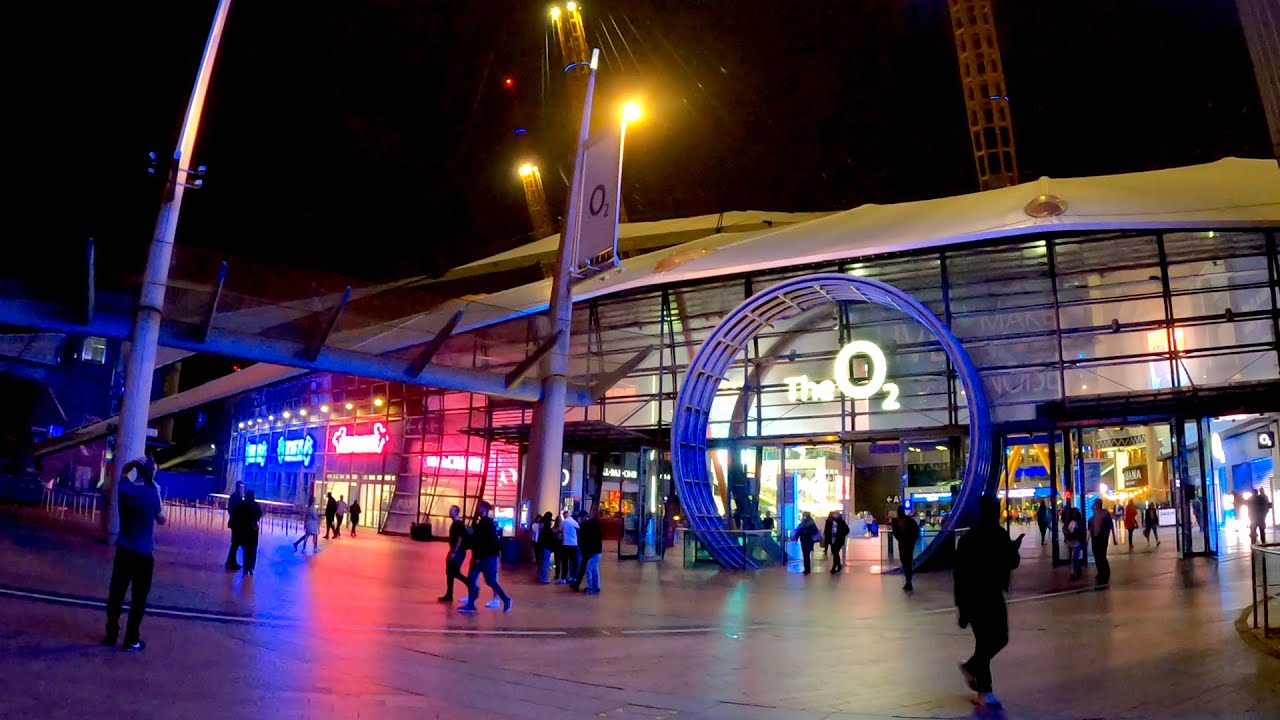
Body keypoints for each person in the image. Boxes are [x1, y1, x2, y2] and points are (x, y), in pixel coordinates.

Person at [954, 496, 1022, 710]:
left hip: (974, 597)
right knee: (997, 638)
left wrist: (961, 605)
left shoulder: (968, 538)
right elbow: (1012, 562)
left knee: (985, 640)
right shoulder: (998, 534)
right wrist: (1014, 548)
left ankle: (975, 671)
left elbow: (959, 574)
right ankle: (984, 689)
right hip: (990, 595)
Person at [104, 457, 166, 652]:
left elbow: (122, 473)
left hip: (124, 549)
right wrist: (158, 494)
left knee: (116, 593)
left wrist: (130, 464)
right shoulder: (151, 494)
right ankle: (131, 639)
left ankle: (111, 634)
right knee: (138, 599)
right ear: (152, 473)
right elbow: (162, 519)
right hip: (144, 554)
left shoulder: (125, 489)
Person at [459, 501, 512, 614]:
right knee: (485, 580)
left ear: (483, 509)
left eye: (479, 508)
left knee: (479, 580)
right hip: (486, 557)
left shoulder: (483, 525)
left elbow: (480, 542)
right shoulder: (487, 524)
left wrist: (471, 535)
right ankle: (472, 603)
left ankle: (472, 604)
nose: (477, 510)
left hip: (483, 557)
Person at [438, 505, 470, 602]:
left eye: (451, 511)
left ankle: (469, 583)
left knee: (454, 572)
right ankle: (449, 594)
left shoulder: (458, 524)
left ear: (456, 512)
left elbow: (460, 538)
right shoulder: (456, 524)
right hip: (455, 551)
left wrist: (455, 551)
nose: (449, 512)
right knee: (450, 572)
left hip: (458, 552)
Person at [229, 489, 263, 575]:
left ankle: (245, 568)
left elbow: (235, 514)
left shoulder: (242, 505)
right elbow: (259, 515)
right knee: (253, 550)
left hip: (243, 531)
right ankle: (251, 568)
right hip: (253, 531)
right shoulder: (256, 505)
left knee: (246, 550)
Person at [1089, 498, 1118, 588]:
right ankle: (1101, 572)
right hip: (1095, 537)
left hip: (1102, 537)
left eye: (1096, 503)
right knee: (1097, 555)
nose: (1094, 505)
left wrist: (1113, 537)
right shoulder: (1094, 514)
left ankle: (1105, 572)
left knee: (1101, 555)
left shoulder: (1105, 513)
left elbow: (1110, 525)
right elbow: (1091, 527)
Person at [891, 506, 921, 592]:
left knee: (906, 562)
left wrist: (908, 540)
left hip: (906, 544)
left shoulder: (907, 521)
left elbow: (896, 533)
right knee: (905, 561)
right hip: (906, 544)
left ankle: (908, 581)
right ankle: (908, 581)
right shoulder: (902, 521)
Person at [576, 511, 603, 594]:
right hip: (596, 552)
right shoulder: (595, 525)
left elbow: (583, 539)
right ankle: (597, 587)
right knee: (594, 569)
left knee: (588, 569)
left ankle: (591, 587)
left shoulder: (586, 526)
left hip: (592, 552)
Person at [224, 480, 245, 570]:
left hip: (238, 523)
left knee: (236, 544)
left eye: (242, 487)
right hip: (236, 523)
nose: (242, 489)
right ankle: (229, 562)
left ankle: (232, 561)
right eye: (240, 487)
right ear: (237, 487)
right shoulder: (234, 496)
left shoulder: (239, 496)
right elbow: (231, 509)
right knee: (235, 544)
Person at [559, 509, 580, 586]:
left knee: (565, 562)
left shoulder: (564, 522)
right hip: (574, 544)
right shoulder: (575, 522)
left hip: (566, 544)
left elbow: (560, 530)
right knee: (574, 562)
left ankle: (564, 578)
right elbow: (578, 532)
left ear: (565, 515)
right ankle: (574, 577)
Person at [1065, 507, 1086, 580]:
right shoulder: (1073, 522)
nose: (1074, 514)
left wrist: (1070, 535)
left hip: (1077, 541)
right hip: (1072, 542)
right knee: (1074, 558)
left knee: (1074, 558)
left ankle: (1075, 572)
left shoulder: (1078, 522)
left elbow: (1077, 532)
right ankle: (1076, 570)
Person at [534, 512, 556, 584]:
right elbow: (549, 536)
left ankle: (542, 576)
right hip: (547, 546)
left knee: (543, 561)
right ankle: (544, 577)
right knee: (546, 562)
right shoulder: (547, 528)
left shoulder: (541, 525)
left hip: (542, 545)